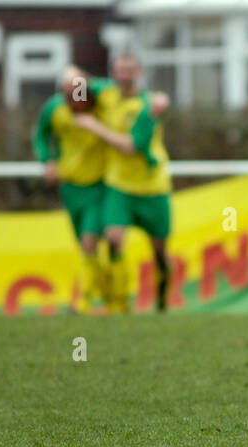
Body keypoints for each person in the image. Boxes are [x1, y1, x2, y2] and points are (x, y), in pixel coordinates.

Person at [74, 54, 171, 313]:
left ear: (139, 72)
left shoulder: (149, 105)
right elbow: (75, 80)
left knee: (160, 251)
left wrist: (93, 125)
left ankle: (162, 301)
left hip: (152, 185)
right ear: (113, 73)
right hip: (119, 184)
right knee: (114, 238)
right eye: (119, 70)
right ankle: (119, 302)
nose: (124, 75)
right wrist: (75, 88)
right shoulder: (105, 95)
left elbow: (132, 146)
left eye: (129, 70)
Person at [34, 66, 109, 314]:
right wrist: (48, 161)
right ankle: (109, 296)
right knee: (86, 248)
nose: (74, 101)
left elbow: (118, 88)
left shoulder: (102, 103)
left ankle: (84, 302)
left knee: (89, 243)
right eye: (69, 95)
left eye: (79, 93)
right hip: (71, 188)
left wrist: (82, 78)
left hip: (99, 186)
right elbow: (41, 137)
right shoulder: (54, 109)